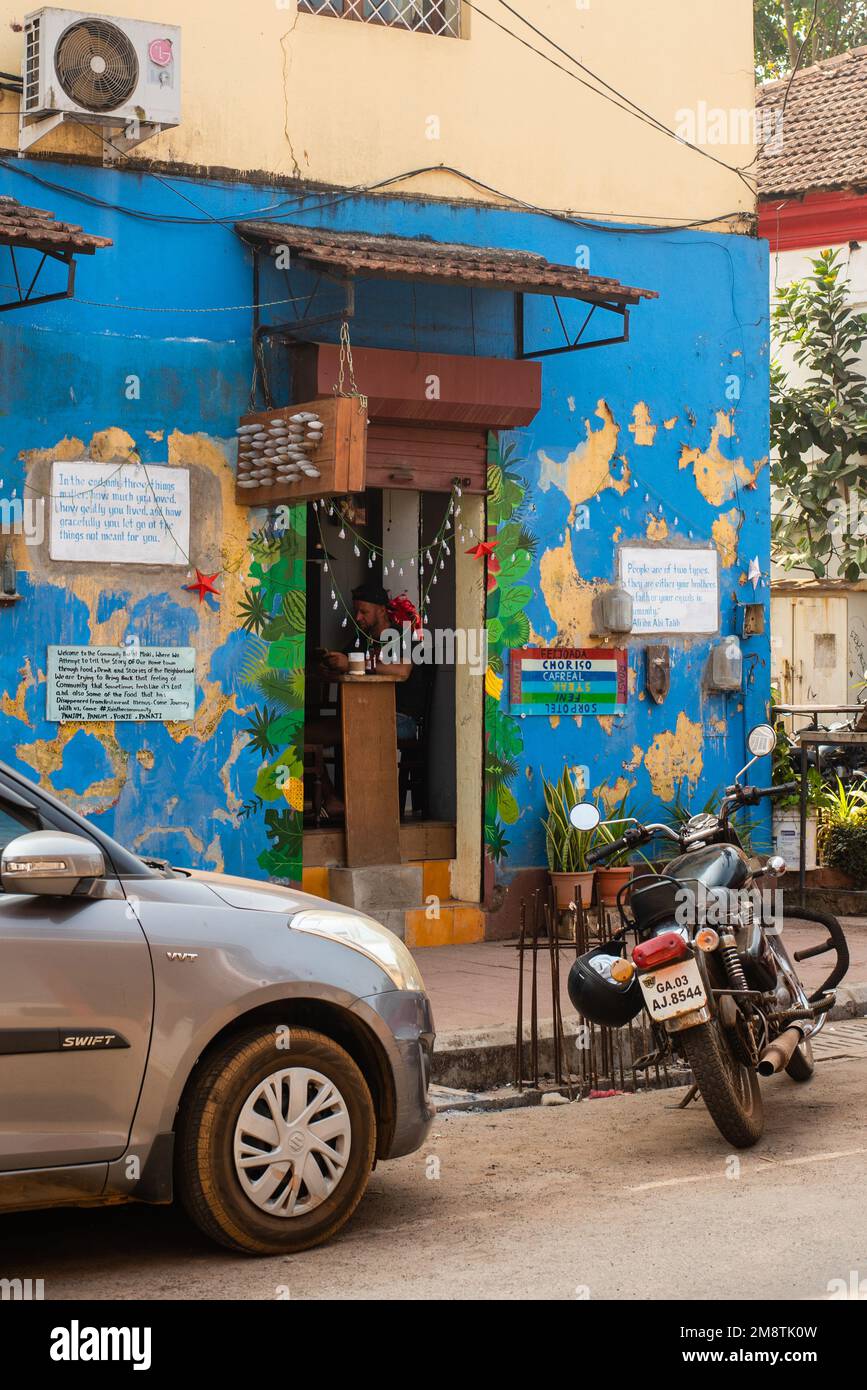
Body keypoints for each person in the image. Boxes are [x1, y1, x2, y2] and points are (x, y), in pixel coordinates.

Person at [319, 581, 427, 740]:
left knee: (347, 732)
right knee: (319, 730)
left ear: (382, 611)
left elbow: (402, 671)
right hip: (367, 712)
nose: (357, 617)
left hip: (401, 719)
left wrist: (349, 664)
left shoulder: (402, 635)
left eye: (364, 612)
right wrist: (330, 664)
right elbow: (342, 661)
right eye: (356, 611)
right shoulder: (362, 638)